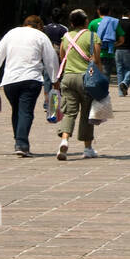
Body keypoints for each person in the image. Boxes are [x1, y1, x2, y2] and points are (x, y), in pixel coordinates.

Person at [0, 16, 60, 157]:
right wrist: (55, 79)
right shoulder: (41, 36)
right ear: (39, 25)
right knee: (26, 111)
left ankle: (18, 141)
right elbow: (51, 59)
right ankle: (22, 143)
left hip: (10, 81)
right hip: (31, 79)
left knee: (17, 110)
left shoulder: (11, 34)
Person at [56, 9, 103, 160]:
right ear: (86, 22)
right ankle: (88, 148)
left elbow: (63, 57)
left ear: (71, 23)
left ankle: (64, 140)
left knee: (69, 111)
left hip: (68, 78)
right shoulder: (92, 36)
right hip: (86, 78)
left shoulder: (66, 37)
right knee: (86, 114)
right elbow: (96, 59)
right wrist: (100, 76)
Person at [91, 4, 120, 81]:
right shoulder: (114, 22)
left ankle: (93, 91)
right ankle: (103, 92)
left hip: (94, 53)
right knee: (105, 75)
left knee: (92, 74)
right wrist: (113, 45)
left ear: (98, 11)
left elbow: (88, 38)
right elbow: (122, 39)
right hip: (108, 53)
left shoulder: (93, 23)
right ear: (109, 12)